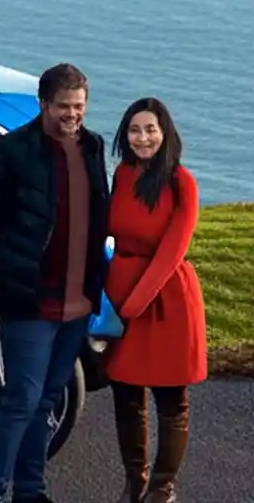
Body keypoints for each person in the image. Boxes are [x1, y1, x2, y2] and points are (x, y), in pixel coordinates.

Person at [0, 63, 111, 503]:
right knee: (20, 400)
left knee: (48, 400)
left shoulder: (93, 146)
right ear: (43, 103)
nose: (72, 115)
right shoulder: (10, 152)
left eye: (80, 107)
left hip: (78, 300)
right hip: (29, 299)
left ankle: (31, 491)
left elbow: (98, 210)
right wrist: (14, 262)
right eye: (64, 107)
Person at [104, 97, 206, 503]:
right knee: (126, 396)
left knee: (170, 398)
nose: (142, 137)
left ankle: (162, 488)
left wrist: (132, 307)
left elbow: (171, 251)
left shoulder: (182, 182)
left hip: (166, 300)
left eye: (150, 129)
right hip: (121, 292)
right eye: (134, 130)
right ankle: (134, 484)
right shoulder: (123, 175)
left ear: (165, 134)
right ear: (124, 135)